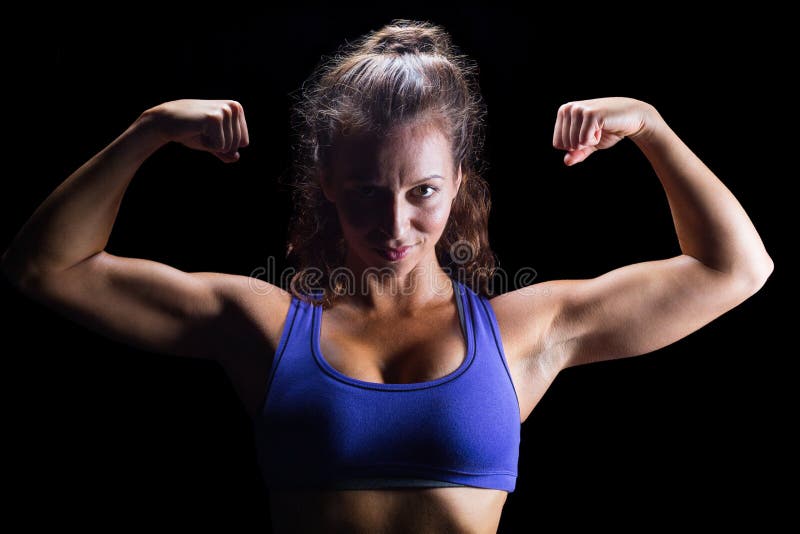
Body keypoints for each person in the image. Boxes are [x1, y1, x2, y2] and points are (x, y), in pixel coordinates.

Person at [1, 18, 774, 534]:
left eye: (422, 192)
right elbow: (47, 267)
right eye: (368, 193)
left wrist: (652, 126)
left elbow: (735, 268)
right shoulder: (263, 326)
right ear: (328, 183)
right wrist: (150, 131)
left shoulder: (526, 331)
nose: (395, 225)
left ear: (459, 183)